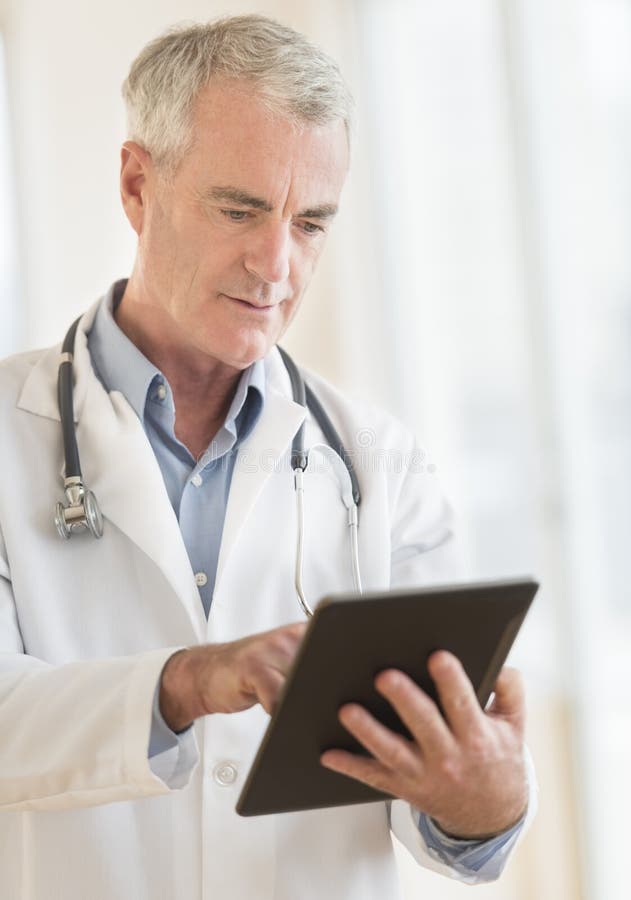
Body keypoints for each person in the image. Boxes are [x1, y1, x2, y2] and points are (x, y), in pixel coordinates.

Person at [0, 15, 536, 899]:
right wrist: (188, 682)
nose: (276, 264)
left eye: (311, 222)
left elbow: (439, 818)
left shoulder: (377, 468)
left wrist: (484, 802)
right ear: (138, 185)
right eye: (239, 208)